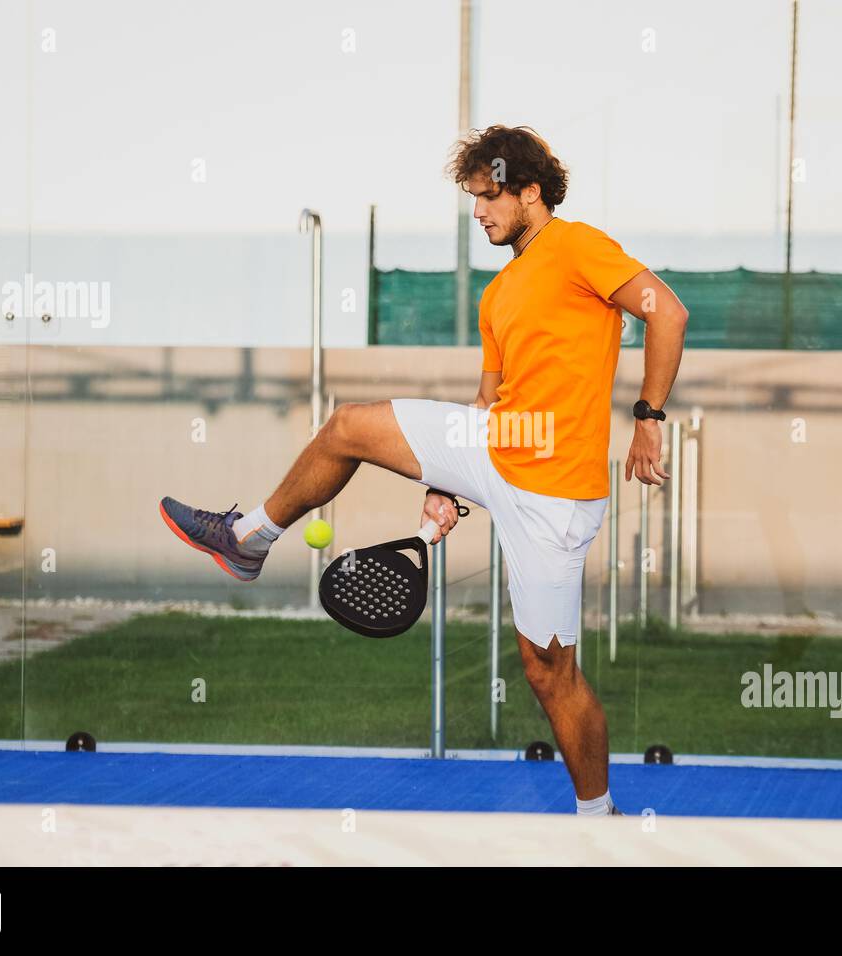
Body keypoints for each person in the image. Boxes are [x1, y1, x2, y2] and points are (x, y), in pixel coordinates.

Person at [161, 124, 688, 816]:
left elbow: (668, 313)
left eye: (490, 197)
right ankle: (248, 538)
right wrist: (447, 482)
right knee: (348, 424)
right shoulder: (497, 296)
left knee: (548, 672)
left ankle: (600, 821)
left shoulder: (578, 245)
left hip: (555, 494)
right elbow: (486, 400)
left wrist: (648, 417)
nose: (479, 213)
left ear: (532, 191)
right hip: (494, 444)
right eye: (473, 199)